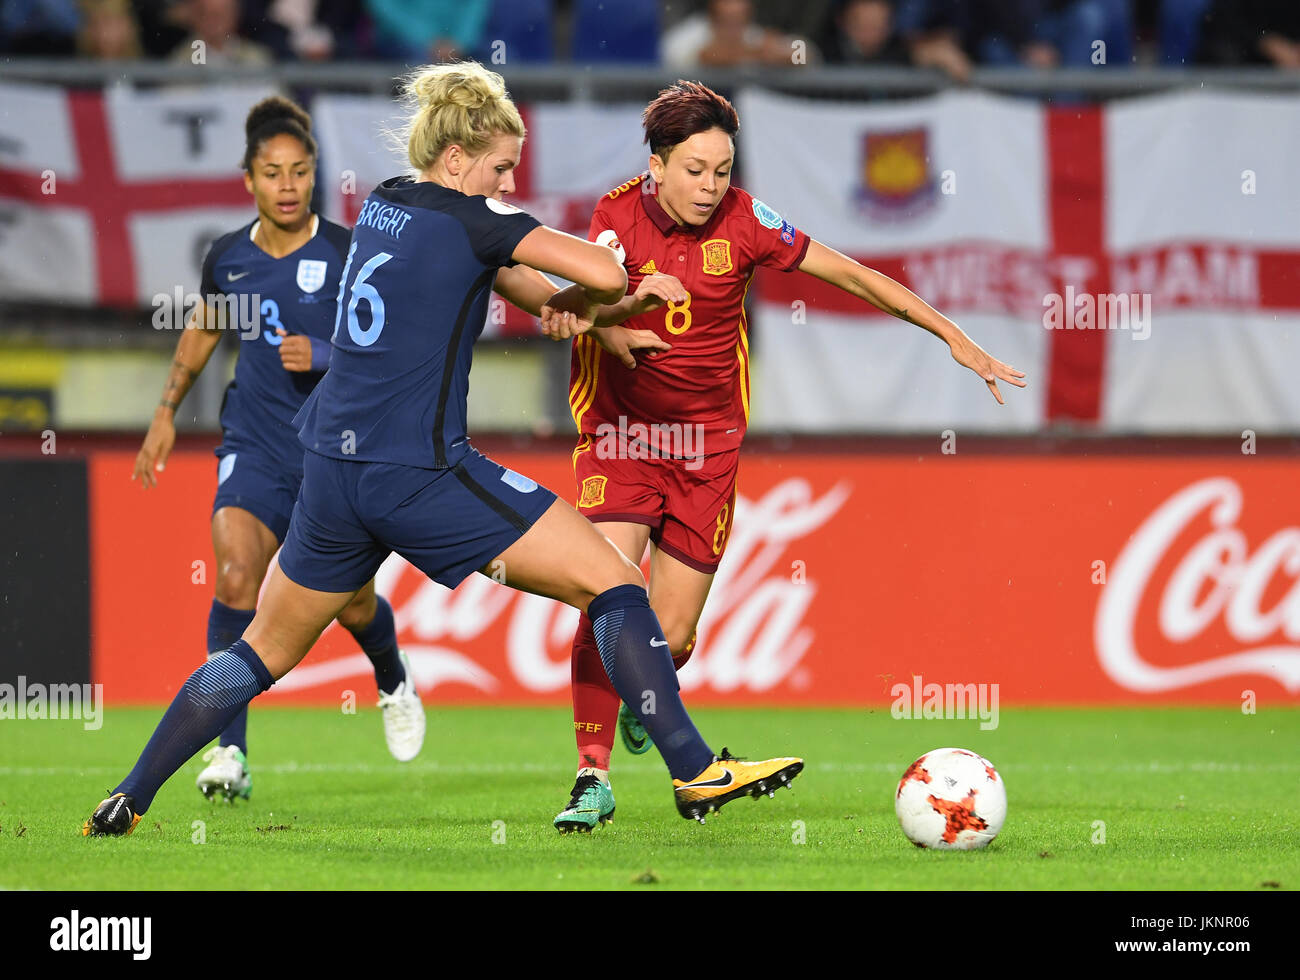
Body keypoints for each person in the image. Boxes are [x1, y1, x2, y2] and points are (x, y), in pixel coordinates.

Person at [84, 62, 802, 838]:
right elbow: (593, 265)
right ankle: (695, 771)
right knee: (613, 583)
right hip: (417, 472)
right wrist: (609, 277)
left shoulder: (386, 202)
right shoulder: (480, 219)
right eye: (499, 169)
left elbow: (533, 294)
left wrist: (601, 310)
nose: (505, 183)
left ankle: (128, 794)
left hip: (331, 470)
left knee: (261, 649)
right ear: (458, 159)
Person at [538, 81, 1025, 833]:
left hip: (707, 448)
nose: (710, 187)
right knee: (610, 587)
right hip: (621, 435)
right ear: (658, 165)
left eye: (723, 169)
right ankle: (590, 777)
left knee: (668, 639)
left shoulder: (748, 222)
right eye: (696, 169)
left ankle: (645, 688)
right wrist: (614, 330)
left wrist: (950, 334)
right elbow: (574, 308)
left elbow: (854, 274)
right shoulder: (612, 216)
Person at [130, 94, 424, 805]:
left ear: (314, 173)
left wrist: (325, 350)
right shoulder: (229, 259)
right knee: (236, 577)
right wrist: (166, 411)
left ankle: (391, 678)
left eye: (299, 171)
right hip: (253, 446)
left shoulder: (349, 252)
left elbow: (396, 344)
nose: (287, 185)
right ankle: (229, 752)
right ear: (249, 180)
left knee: (353, 605)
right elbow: (204, 327)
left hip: (333, 453)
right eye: (272, 173)